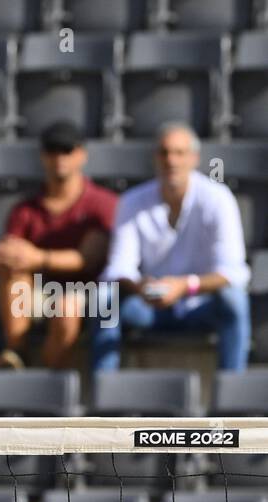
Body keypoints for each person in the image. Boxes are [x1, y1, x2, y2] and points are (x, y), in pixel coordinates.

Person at [91, 121, 251, 372]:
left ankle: (231, 397)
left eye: (179, 153)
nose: (171, 160)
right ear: (155, 158)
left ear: (194, 158)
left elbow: (233, 273)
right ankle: (103, 393)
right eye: (164, 152)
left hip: (201, 306)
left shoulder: (218, 199)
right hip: (149, 307)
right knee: (104, 299)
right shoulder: (132, 201)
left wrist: (185, 286)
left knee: (235, 300)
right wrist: (140, 286)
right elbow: (119, 267)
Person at [0, 120, 117, 369]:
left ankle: (49, 377)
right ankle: (16, 352)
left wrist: (38, 258)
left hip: (92, 294)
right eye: (52, 150)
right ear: (43, 156)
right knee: (12, 276)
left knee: (65, 307)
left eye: (67, 150)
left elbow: (89, 257)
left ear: (81, 155)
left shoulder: (102, 204)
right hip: (40, 291)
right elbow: (10, 252)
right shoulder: (25, 209)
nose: (60, 158)